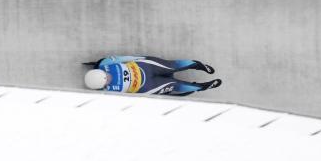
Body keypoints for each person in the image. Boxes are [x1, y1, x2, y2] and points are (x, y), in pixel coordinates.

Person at [83, 55, 222, 96]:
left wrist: (141, 58)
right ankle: (201, 87)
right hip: (146, 87)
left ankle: (196, 65)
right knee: (172, 85)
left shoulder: (105, 64)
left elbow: (124, 58)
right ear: (102, 86)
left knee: (171, 66)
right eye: (106, 80)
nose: (108, 77)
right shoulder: (108, 92)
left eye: (105, 75)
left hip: (146, 67)